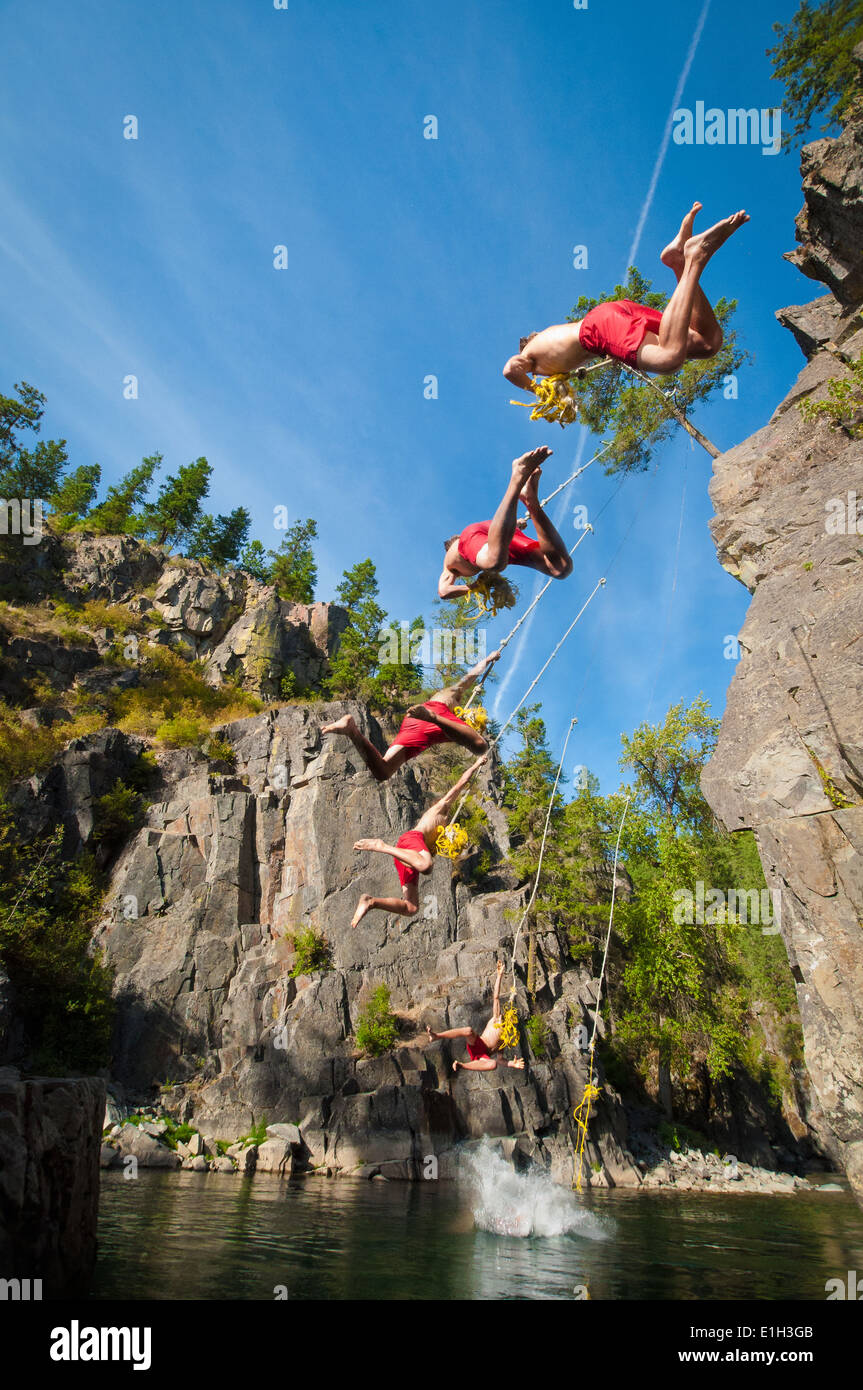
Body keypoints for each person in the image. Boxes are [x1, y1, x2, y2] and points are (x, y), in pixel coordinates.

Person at [503, 204, 748, 392]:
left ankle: (695, 256)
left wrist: (536, 390)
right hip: (613, 315)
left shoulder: (532, 359)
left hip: (598, 329)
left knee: (669, 359)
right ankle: (679, 262)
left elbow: (510, 370)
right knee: (707, 344)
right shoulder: (550, 343)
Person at [321, 649, 500, 781]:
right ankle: (431, 717)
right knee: (480, 746)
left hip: (414, 721)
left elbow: (468, 678)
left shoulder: (446, 695)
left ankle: (351, 729)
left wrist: (487, 660)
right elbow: (469, 679)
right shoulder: (454, 709)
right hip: (433, 716)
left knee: (383, 771)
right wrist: (433, 718)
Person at [350, 755, 486, 928]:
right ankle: (380, 845)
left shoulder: (442, 830)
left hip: (408, 854)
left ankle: (370, 902)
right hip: (411, 839)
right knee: (426, 866)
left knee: (411, 908)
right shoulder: (440, 809)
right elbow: (461, 783)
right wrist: (476, 764)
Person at [438, 446, 571, 601]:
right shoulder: (482, 551)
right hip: (500, 534)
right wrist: (516, 524)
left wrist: (475, 587)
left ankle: (517, 477)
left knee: (494, 562)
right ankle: (530, 499)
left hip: (476, 535)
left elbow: (444, 591)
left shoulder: (450, 566)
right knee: (560, 568)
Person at [426, 962, 525, 1072]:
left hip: (483, 1057)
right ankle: (437, 1036)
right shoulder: (497, 1019)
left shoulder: (504, 1040)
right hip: (478, 1044)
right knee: (468, 1031)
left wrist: (512, 1064)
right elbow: (496, 997)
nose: (510, 1020)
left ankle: (461, 1065)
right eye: (509, 1017)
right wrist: (499, 976)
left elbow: (500, 1060)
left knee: (493, 1064)